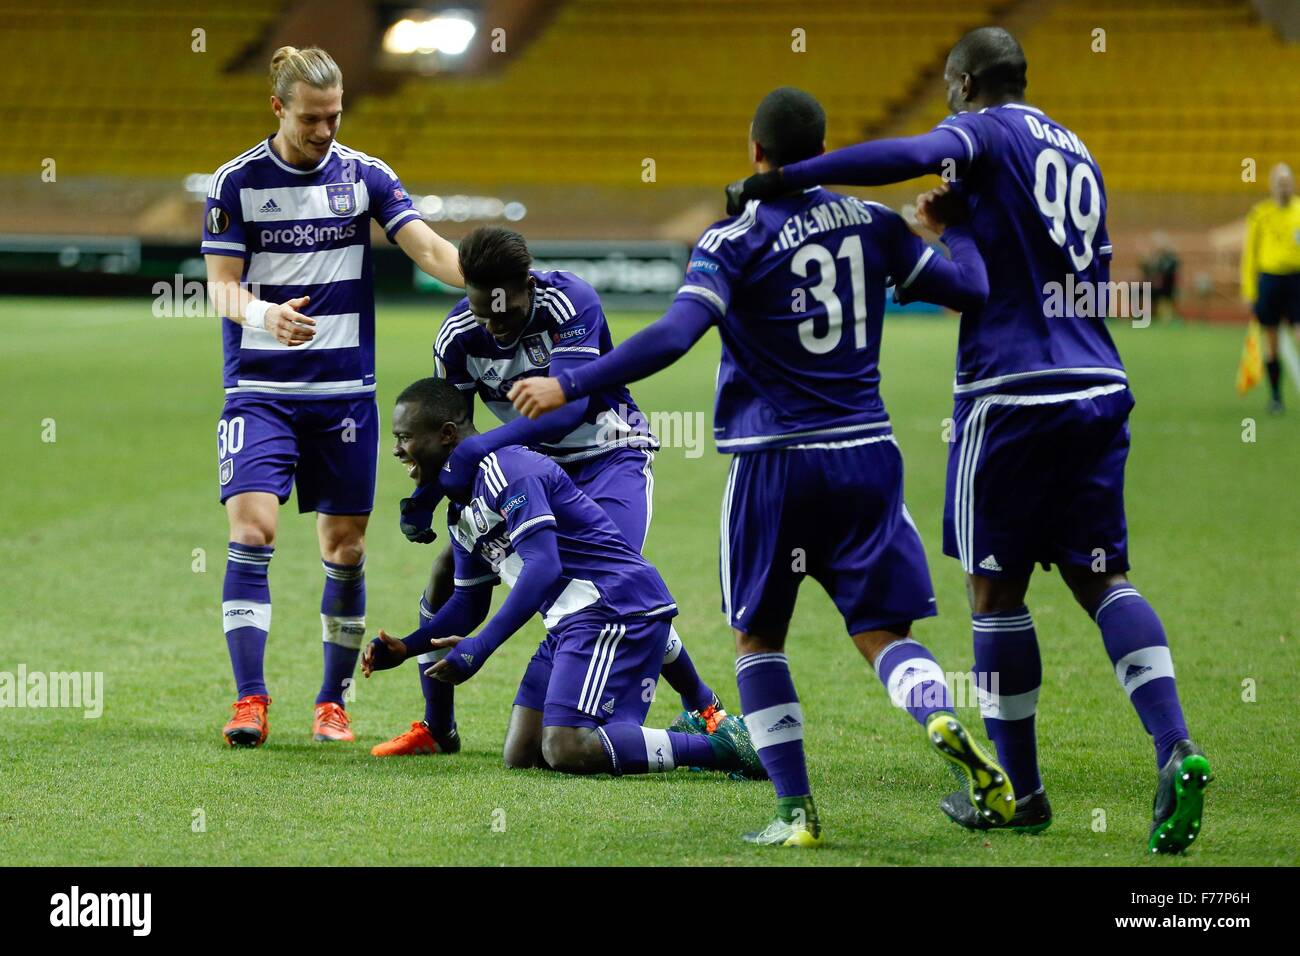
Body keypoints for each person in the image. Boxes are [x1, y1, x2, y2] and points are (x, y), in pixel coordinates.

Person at [726, 27, 1210, 854]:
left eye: (949, 89)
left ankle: (1020, 794)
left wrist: (792, 176)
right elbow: (1022, 246)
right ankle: (1176, 746)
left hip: (1010, 391)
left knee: (995, 594)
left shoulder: (986, 131)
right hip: (1096, 380)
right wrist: (959, 228)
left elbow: (911, 153)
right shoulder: (1076, 147)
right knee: (1105, 580)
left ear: (962, 82)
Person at [509, 87, 1012, 848]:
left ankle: (797, 813)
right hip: (867, 456)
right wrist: (961, 226)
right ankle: (937, 711)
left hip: (773, 463)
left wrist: (571, 380)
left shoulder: (732, 239)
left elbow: (677, 335)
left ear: (755, 153)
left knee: (759, 642)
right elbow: (971, 291)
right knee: (882, 632)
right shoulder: (875, 225)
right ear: (825, 151)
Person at [371, 227, 734, 761]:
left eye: (508, 313)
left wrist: (484, 448)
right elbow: (451, 432)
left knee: (604, 584)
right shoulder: (455, 338)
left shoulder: (569, 301)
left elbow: (566, 412)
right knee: (449, 572)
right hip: (522, 469)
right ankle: (436, 725)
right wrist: (428, 496)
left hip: (607, 455)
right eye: (483, 313)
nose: (495, 328)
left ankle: (704, 708)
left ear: (529, 284)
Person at [202, 46, 464, 747]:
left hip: (345, 397)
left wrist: (494, 276)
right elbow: (221, 285)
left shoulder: (366, 175)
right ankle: (250, 700)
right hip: (260, 390)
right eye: (312, 118)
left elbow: (430, 250)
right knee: (252, 531)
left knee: (344, 549)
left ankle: (332, 701)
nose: (324, 131)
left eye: (335, 116)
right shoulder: (236, 183)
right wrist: (265, 316)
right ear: (278, 108)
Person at [361, 378, 765, 780]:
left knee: (567, 748)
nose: (397, 449)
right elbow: (469, 602)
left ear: (446, 435)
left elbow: (544, 566)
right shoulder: (460, 509)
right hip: (570, 624)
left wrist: (481, 648)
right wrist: (407, 647)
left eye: (404, 437)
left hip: (613, 608)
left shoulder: (508, 469)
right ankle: (692, 718)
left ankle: (725, 747)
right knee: (524, 753)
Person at [1241, 162, 1300, 413]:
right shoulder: (1259, 214)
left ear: (1293, 184)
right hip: (1270, 281)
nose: (1283, 186)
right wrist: (1249, 290)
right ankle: (1276, 397)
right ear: (1271, 185)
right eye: (1279, 182)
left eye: (1286, 182)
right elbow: (1249, 255)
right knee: (1272, 340)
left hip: (1297, 280)